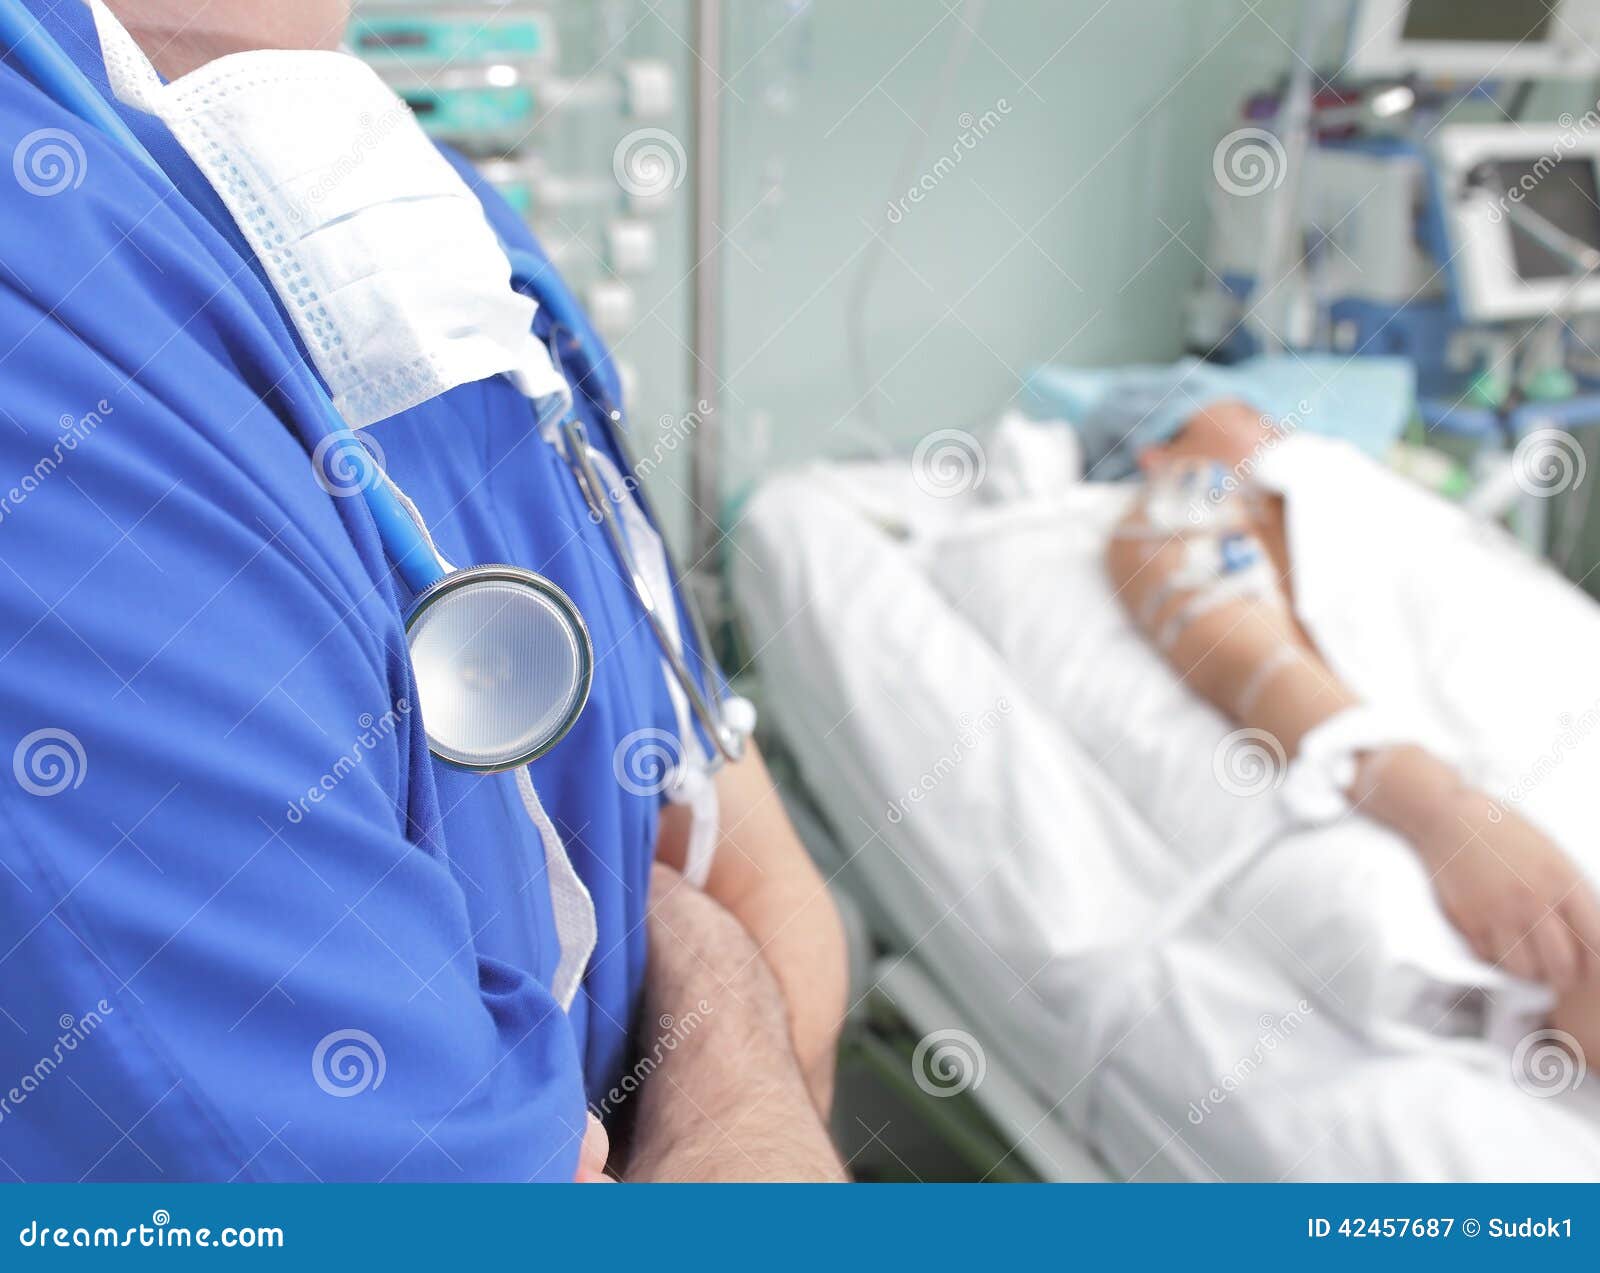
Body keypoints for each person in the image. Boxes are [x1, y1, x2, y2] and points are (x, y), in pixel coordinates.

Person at [0, 0, 845, 1181]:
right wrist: (718, 1004)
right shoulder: (46, 372)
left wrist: (721, 993)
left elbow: (759, 875)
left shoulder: (406, 205)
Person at [1104, 396, 1600, 1063]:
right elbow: (1245, 657)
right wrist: (1441, 812)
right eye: (1241, 412)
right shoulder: (1183, 505)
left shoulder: (1349, 480)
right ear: (1156, 451)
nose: (1269, 422)